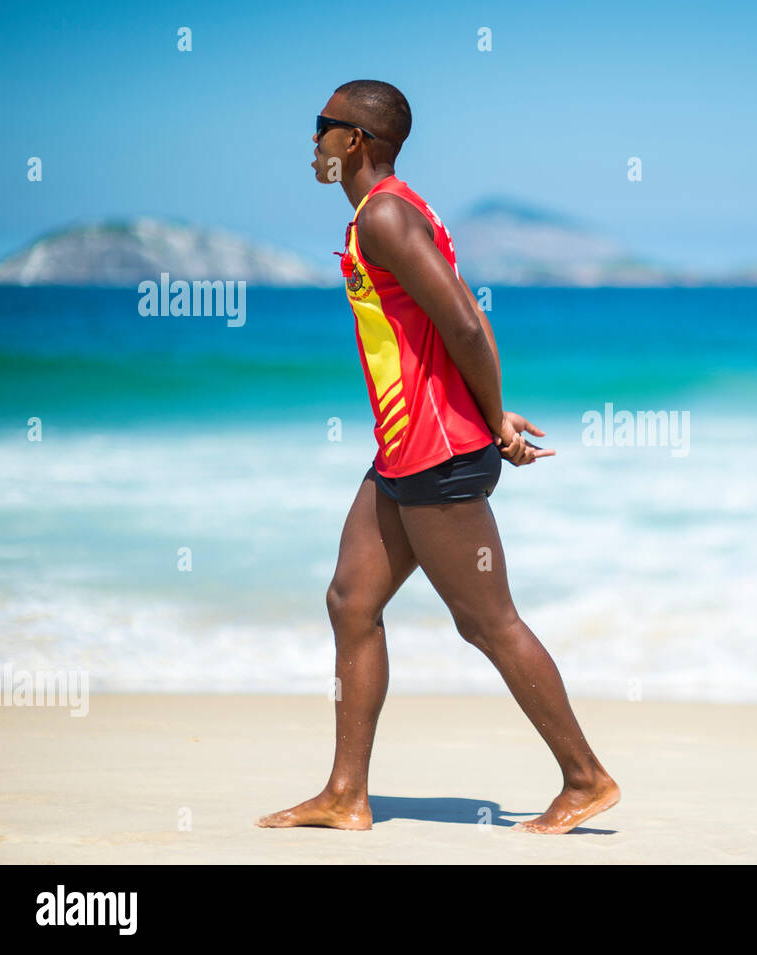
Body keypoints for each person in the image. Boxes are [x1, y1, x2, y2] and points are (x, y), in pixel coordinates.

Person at [256, 80, 619, 834]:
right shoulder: (387, 213)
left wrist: (487, 420)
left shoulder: (386, 213)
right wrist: (485, 410)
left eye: (322, 126)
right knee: (351, 601)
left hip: (437, 456)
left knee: (488, 623)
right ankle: (346, 794)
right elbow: (457, 320)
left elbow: (461, 322)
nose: (313, 140)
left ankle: (585, 779)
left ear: (355, 139)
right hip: (407, 448)